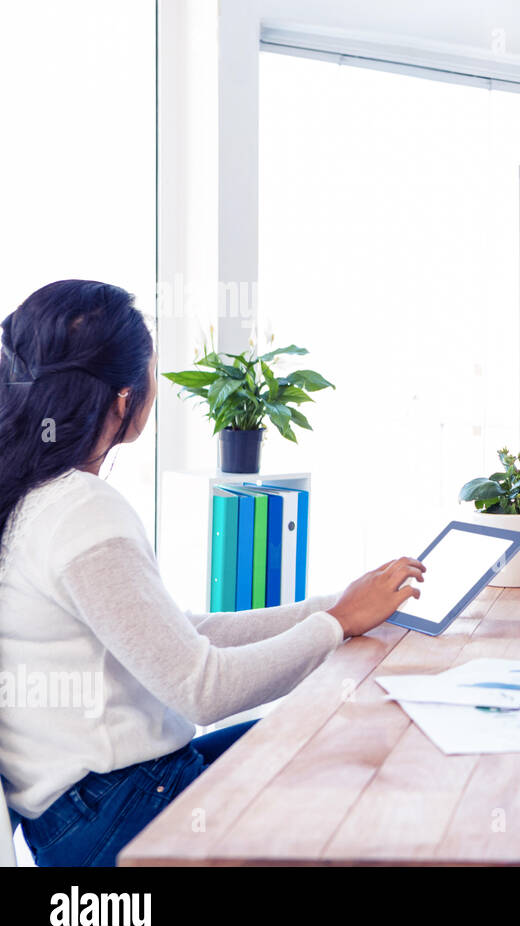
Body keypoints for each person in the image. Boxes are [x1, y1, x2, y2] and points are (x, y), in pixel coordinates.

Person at [0, 279, 426, 866]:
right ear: (125, 401)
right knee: (346, 753)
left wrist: (340, 606)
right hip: (119, 812)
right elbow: (203, 688)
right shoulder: (81, 511)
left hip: (78, 816)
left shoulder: (29, 493)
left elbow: (179, 633)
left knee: (320, 735)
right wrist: (335, 625)